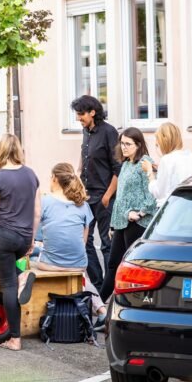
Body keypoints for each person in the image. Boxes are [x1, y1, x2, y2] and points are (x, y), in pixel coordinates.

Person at [0, 134, 40, 351]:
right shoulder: (31, 175)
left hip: (3, 237)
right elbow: (36, 212)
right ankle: (21, 274)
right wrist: (31, 238)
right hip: (24, 238)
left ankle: (15, 338)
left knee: (7, 284)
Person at [33, 163, 107, 328]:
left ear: (54, 179)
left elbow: (38, 236)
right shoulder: (83, 205)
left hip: (49, 265)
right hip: (78, 265)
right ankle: (102, 311)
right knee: (83, 277)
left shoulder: (45, 201)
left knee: (33, 257)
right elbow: (83, 241)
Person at [99, 127, 156, 302]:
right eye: (122, 143)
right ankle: (99, 305)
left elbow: (152, 195)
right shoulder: (125, 164)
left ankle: (134, 303)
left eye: (128, 144)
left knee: (134, 267)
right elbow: (121, 197)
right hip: (122, 222)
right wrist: (113, 224)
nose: (124, 147)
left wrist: (139, 213)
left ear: (138, 145)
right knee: (113, 264)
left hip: (136, 224)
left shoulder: (144, 163)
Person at [71, 95, 120, 291]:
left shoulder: (109, 132)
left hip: (104, 196)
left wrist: (108, 195)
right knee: (84, 242)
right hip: (86, 196)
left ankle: (110, 288)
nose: (78, 118)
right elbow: (85, 156)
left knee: (107, 244)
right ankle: (98, 284)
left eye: (81, 114)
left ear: (93, 112)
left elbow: (118, 167)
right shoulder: (86, 131)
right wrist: (77, 174)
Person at [141, 122, 192, 208]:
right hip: (191, 205)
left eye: (157, 144)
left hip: (171, 209)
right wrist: (161, 169)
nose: (158, 146)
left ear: (164, 141)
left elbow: (159, 192)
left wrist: (149, 172)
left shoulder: (167, 160)